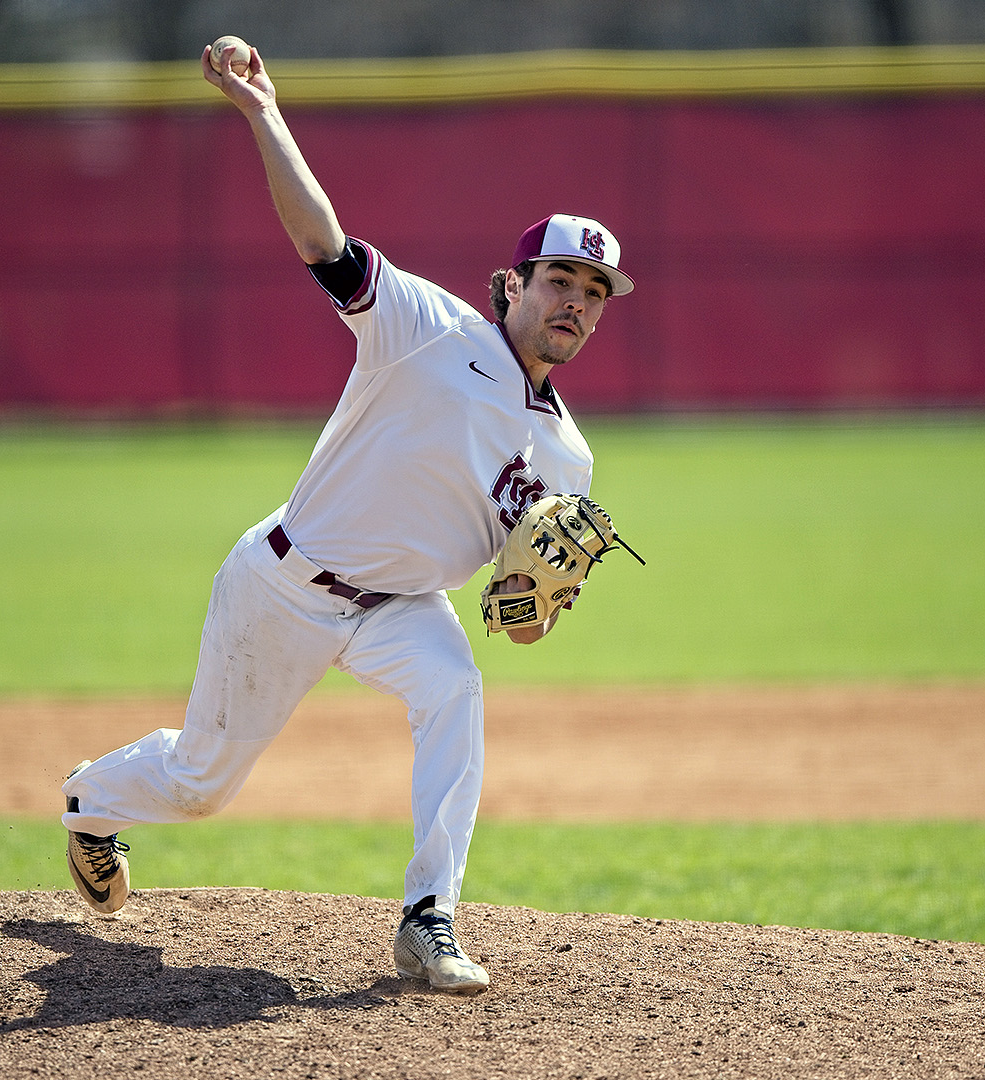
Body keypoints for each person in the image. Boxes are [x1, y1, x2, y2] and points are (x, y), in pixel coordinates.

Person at [59, 37, 635, 995]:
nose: (573, 303)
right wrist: (261, 113)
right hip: (286, 584)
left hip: (400, 607)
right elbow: (322, 240)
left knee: (457, 693)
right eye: (558, 281)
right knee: (200, 788)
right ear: (514, 284)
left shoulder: (569, 455)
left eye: (592, 293)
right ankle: (91, 802)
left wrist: (527, 606)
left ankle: (428, 919)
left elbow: (514, 591)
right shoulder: (425, 329)